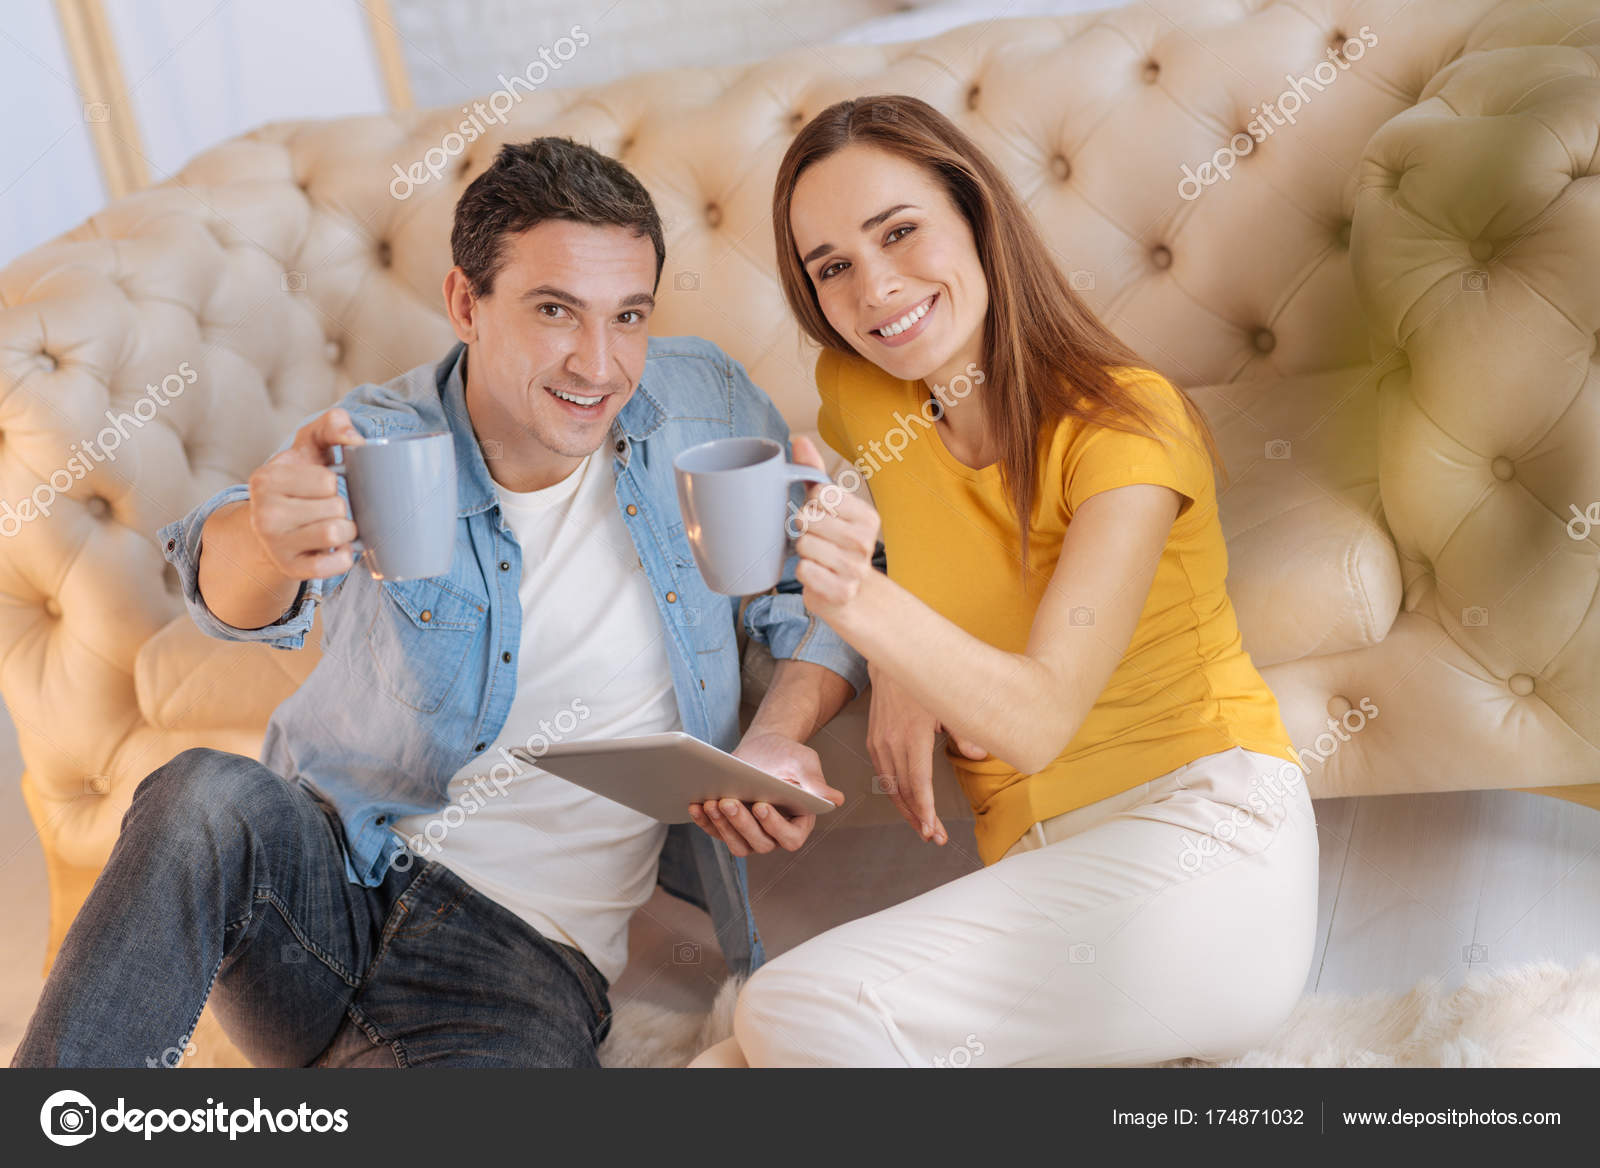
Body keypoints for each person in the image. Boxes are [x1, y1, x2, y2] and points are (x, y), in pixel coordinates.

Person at [13, 137, 866, 1069]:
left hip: (523, 961)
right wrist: (264, 536)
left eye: (629, 315)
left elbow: (821, 587)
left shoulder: (704, 405)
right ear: (467, 303)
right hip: (329, 888)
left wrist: (778, 733)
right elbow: (225, 596)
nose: (600, 363)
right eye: (554, 311)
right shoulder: (387, 442)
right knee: (203, 796)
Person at [690, 95, 1319, 1068]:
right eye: (833, 268)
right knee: (728, 1063)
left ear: (976, 217)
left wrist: (870, 605)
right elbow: (906, 544)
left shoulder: (1124, 427)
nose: (876, 289)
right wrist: (803, 718)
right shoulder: (864, 393)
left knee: (784, 1012)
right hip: (1046, 866)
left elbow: (1036, 718)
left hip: (1205, 841)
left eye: (900, 233)